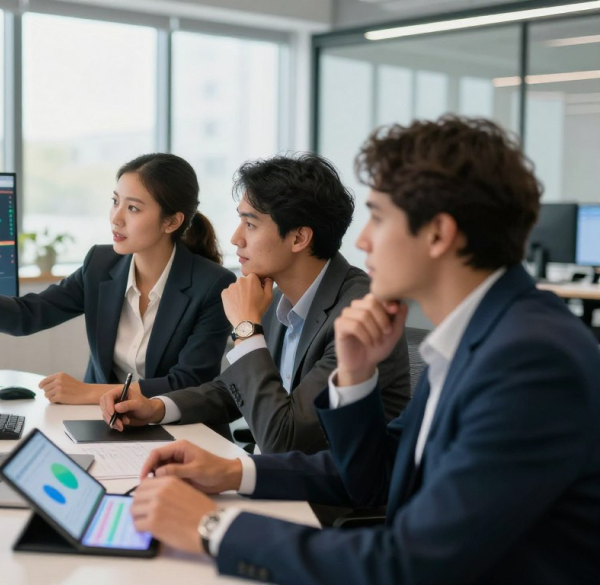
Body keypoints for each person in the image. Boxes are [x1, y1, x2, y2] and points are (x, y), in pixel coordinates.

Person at [124, 116, 600, 583]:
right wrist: (234, 470)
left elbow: (414, 562)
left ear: (438, 232)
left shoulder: (528, 358)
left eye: (378, 217)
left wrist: (212, 527)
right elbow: (378, 476)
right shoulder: (478, 334)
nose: (365, 239)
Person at [102, 154, 410, 454]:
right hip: (269, 473)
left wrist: (246, 329)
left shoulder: (357, 312)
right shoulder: (279, 299)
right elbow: (234, 389)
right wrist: (156, 408)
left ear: (299, 238)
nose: (236, 238)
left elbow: (284, 439)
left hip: (325, 497)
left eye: (250, 224)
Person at [0, 153, 235, 405]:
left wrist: (90, 393)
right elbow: (27, 315)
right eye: (115, 201)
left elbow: (189, 383)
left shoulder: (213, 284)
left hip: (183, 433)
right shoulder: (100, 264)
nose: (116, 218)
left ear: (171, 221)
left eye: (133, 209)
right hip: (108, 424)